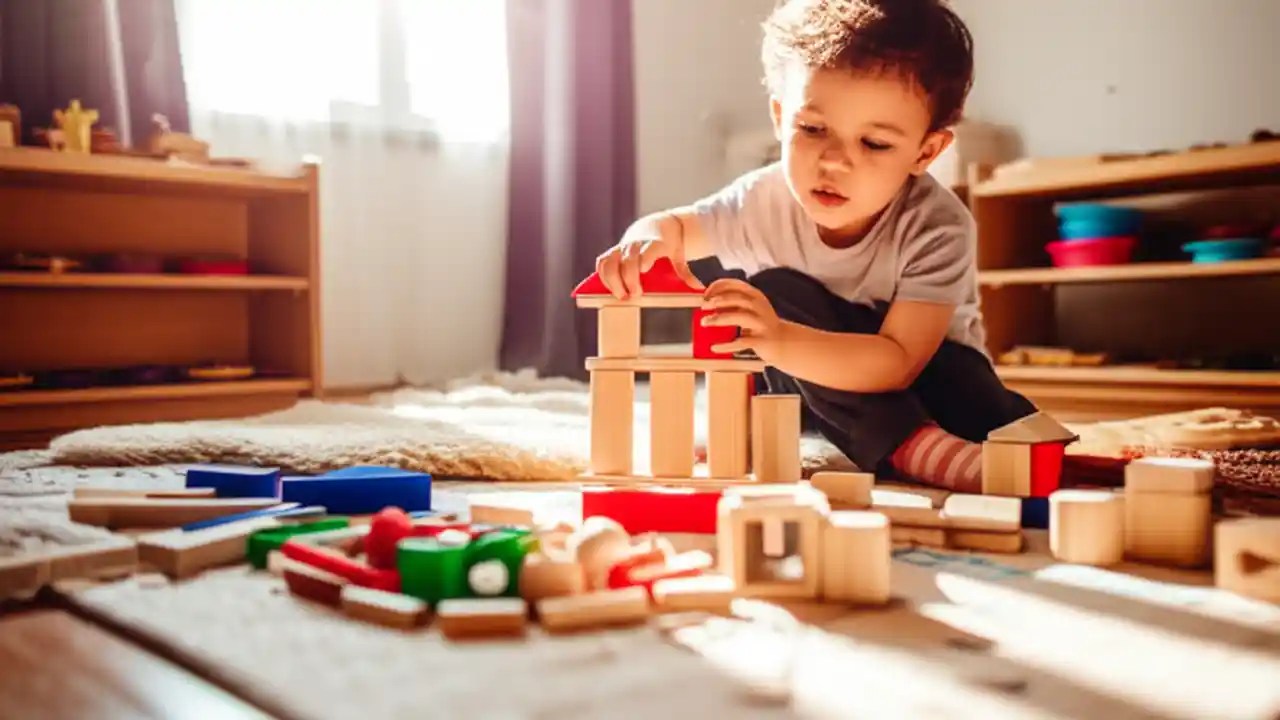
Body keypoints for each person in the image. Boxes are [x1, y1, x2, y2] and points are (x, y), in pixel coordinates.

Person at [592, 0, 1036, 492]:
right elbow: (673, 228)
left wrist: (779, 338)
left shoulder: (937, 224)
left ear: (925, 152)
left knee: (996, 420)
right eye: (813, 129)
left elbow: (899, 360)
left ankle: (913, 443)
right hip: (809, 393)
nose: (834, 162)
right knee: (761, 297)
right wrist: (644, 240)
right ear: (782, 119)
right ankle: (872, 442)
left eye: (875, 144)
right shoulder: (759, 200)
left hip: (928, 380)